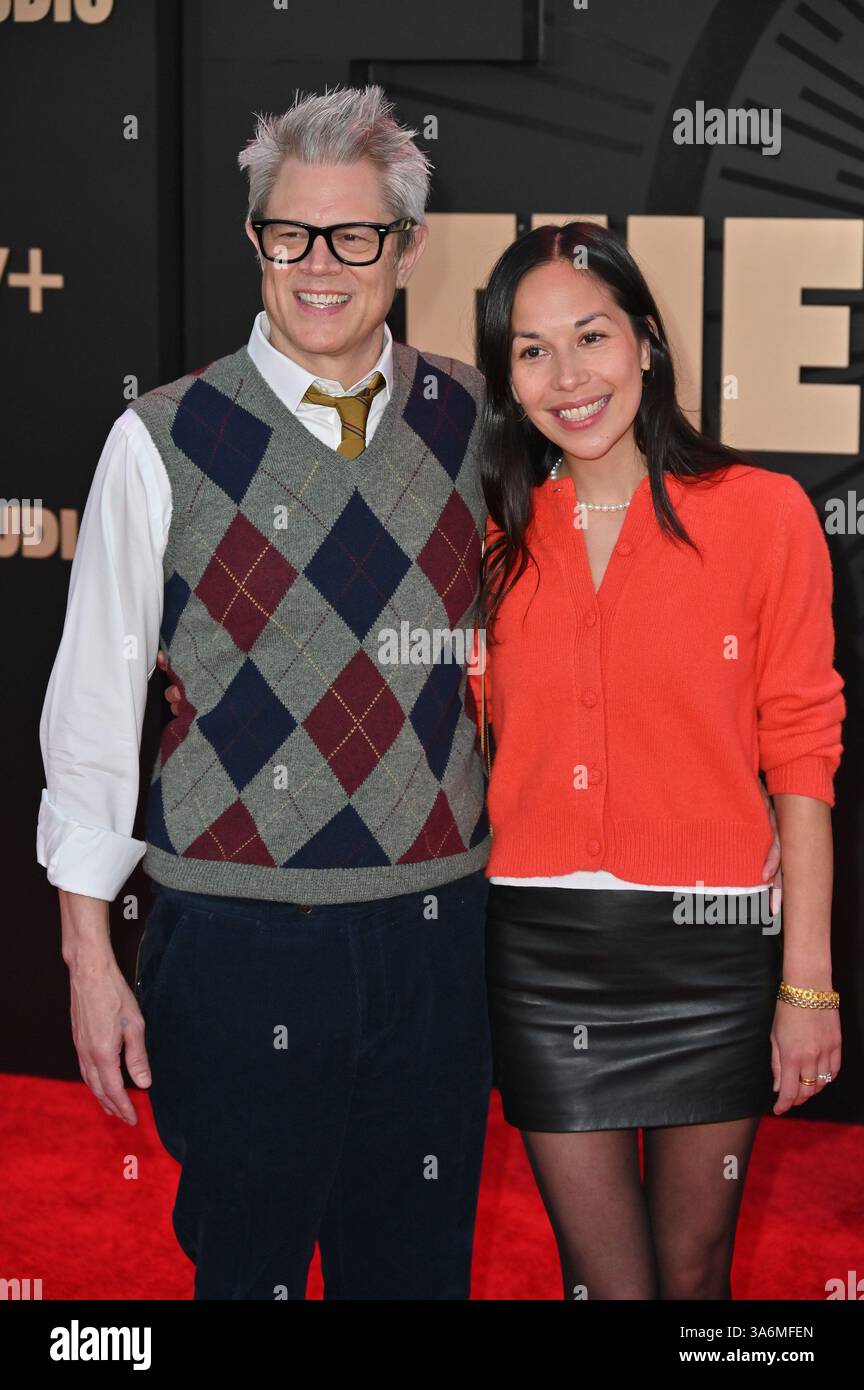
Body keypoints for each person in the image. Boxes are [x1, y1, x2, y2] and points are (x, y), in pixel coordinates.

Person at [36, 84, 494, 1300]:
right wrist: (89, 954)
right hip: (237, 938)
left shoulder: (471, 421)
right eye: (292, 233)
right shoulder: (162, 438)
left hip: (436, 934)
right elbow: (93, 708)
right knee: (247, 1274)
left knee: (417, 1276)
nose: (321, 266)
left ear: (406, 246)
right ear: (256, 240)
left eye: (356, 235)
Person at [465, 220, 845, 1300]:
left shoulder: (764, 516)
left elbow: (804, 762)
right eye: (532, 351)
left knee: (693, 1277)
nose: (569, 376)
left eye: (592, 336)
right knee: (607, 1286)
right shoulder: (495, 545)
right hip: (541, 956)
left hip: (712, 953)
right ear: (507, 380)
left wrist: (805, 986)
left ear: (646, 343)